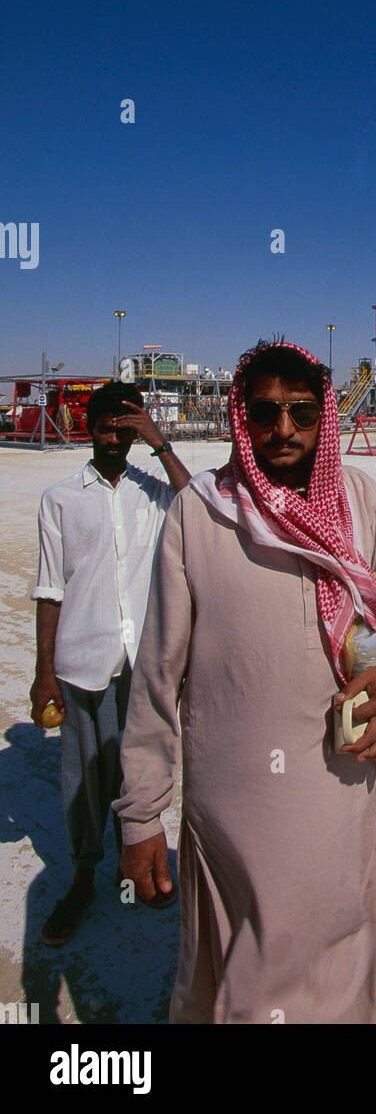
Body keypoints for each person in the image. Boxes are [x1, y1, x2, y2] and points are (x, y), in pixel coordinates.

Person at [114, 339, 376, 1023]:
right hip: (235, 811)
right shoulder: (200, 514)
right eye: (265, 412)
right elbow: (155, 675)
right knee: (240, 978)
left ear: (324, 418)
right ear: (242, 418)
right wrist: (141, 814)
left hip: (341, 793)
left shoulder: (359, 504)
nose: (283, 429)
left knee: (338, 976)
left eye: (300, 411)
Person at [30, 381, 191, 944]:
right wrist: (43, 671)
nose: (114, 435)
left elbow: (200, 511)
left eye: (125, 426)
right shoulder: (60, 499)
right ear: (88, 428)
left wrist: (159, 441)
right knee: (84, 780)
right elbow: (51, 589)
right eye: (106, 424)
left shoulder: (154, 490)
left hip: (143, 661)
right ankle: (81, 877)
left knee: (140, 771)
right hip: (82, 660)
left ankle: (136, 867)